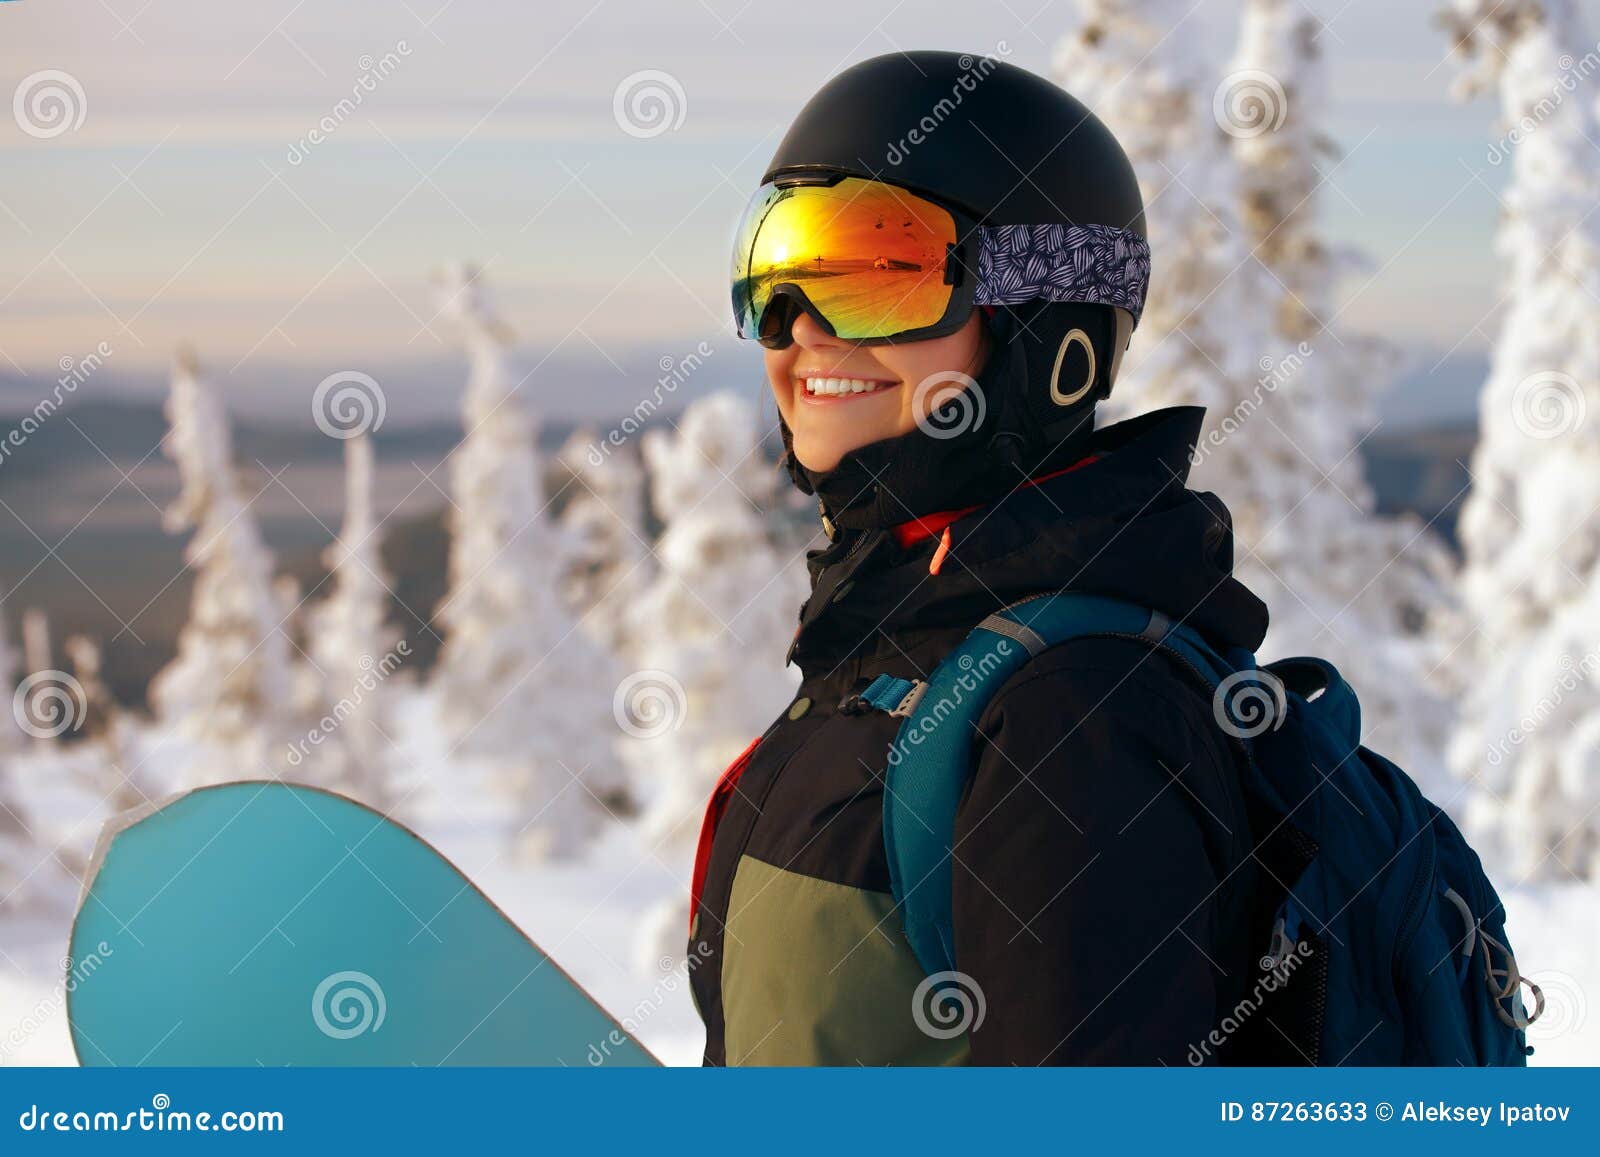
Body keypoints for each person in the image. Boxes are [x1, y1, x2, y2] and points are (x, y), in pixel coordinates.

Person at [687, 51, 1271, 1066]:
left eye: (883, 272)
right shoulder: (896, 653)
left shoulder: (1070, 714)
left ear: (1053, 338)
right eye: (774, 273)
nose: (800, 330)